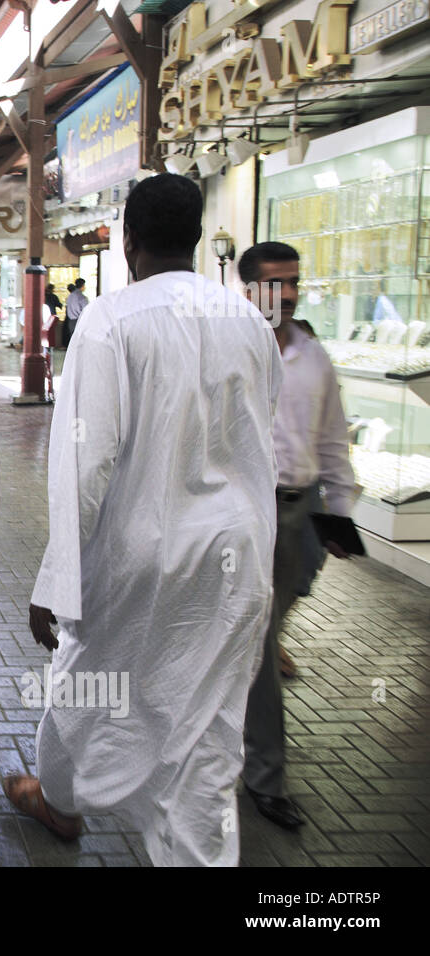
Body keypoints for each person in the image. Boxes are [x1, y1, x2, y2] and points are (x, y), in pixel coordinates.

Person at [10, 173, 281, 866]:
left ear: (126, 241)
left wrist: (54, 580)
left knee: (82, 693)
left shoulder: (112, 319)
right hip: (234, 560)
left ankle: (60, 800)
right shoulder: (248, 320)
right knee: (211, 734)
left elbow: (85, 462)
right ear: (195, 240)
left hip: (141, 560)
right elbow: (260, 445)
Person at [239, 241, 357, 832]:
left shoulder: (314, 357)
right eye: (273, 283)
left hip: (303, 515)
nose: (285, 294)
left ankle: (227, 721)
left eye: (293, 282)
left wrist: (340, 508)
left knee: (260, 636)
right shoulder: (231, 351)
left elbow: (332, 437)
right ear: (248, 289)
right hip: (247, 515)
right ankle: (265, 776)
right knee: (258, 644)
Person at [64, 278, 88, 349]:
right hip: (79, 320)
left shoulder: (70, 296)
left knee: (73, 339)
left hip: (71, 320)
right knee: (80, 340)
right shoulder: (82, 297)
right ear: (83, 286)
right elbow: (85, 310)